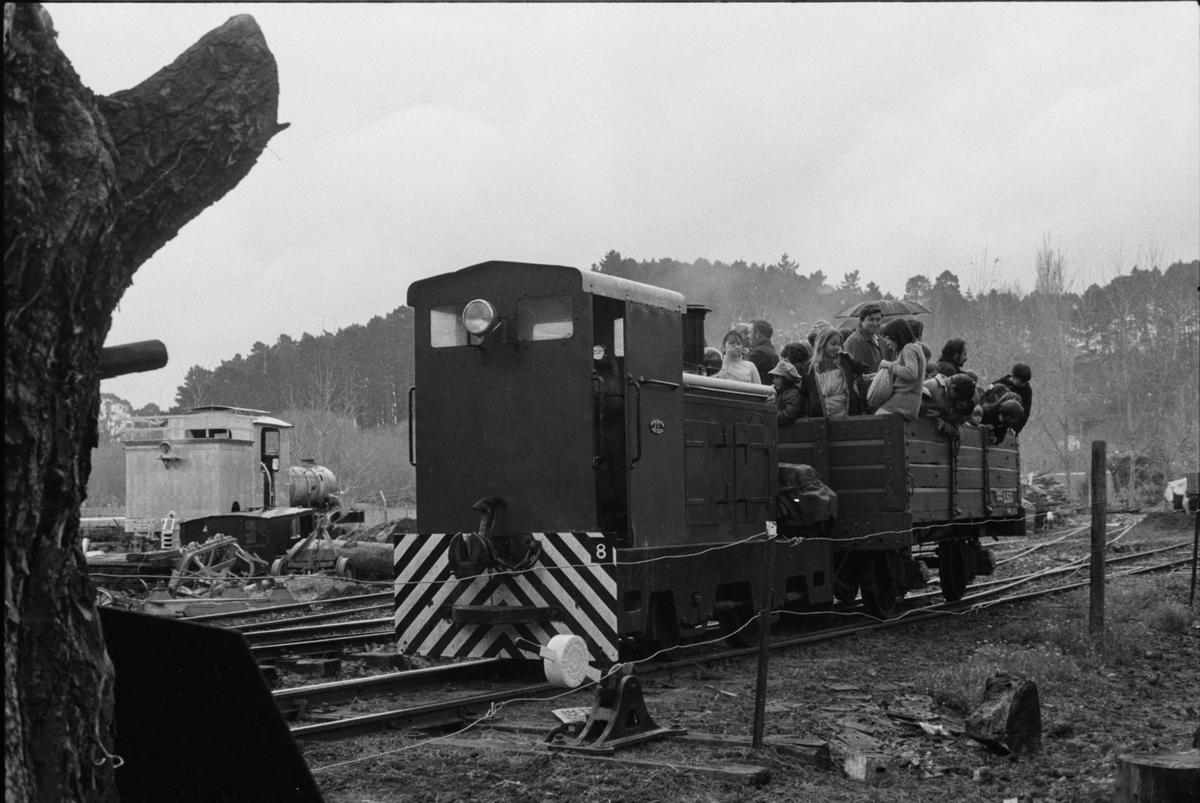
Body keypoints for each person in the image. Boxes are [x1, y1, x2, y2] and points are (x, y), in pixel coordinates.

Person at [799, 327, 870, 417]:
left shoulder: (845, 360)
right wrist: (810, 409)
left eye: (839, 344)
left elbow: (864, 369)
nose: (837, 348)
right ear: (822, 344)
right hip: (821, 416)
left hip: (846, 412)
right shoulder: (810, 368)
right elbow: (804, 393)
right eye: (833, 344)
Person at [873, 318, 927, 421]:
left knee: (877, 423)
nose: (887, 342)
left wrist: (889, 365)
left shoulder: (909, 349)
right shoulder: (911, 349)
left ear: (897, 336)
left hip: (903, 403)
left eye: (888, 338)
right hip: (906, 402)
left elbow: (911, 373)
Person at [842, 304, 894, 372]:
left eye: (878, 320)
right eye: (871, 319)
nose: (875, 324)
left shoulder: (882, 341)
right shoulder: (855, 342)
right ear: (861, 320)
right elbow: (855, 372)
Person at [992, 363, 1033, 434]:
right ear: (1015, 377)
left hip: (1011, 425)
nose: (1023, 384)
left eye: (1025, 382)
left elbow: (1025, 412)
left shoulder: (1026, 390)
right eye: (1021, 381)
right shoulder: (999, 384)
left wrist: (1015, 429)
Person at [768, 359, 804, 425]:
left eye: (776, 378)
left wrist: (769, 414)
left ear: (785, 379)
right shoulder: (781, 392)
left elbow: (788, 415)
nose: (773, 381)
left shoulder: (793, 395)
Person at [745, 320, 779, 385]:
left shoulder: (757, 354)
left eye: (750, 332)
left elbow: (743, 376)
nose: (748, 336)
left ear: (757, 334)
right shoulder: (771, 351)